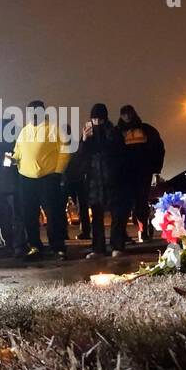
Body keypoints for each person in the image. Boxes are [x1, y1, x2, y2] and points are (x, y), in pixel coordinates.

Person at [11, 100, 70, 259]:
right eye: (30, 113)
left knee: (53, 213)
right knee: (29, 214)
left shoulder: (54, 129)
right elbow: (18, 152)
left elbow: (65, 151)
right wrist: (12, 159)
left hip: (48, 177)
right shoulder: (24, 131)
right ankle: (35, 246)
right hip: (26, 178)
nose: (32, 116)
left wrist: (58, 172)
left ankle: (57, 246)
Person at [73, 104, 126, 259]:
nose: (96, 121)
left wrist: (101, 134)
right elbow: (81, 156)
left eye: (99, 118)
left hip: (113, 179)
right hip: (94, 181)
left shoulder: (113, 132)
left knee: (117, 216)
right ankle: (98, 249)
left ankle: (117, 246)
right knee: (96, 216)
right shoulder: (88, 134)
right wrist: (84, 139)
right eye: (94, 118)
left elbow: (116, 151)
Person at [116, 104, 164, 244]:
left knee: (141, 203)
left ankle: (143, 231)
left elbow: (158, 149)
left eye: (129, 113)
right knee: (124, 205)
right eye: (124, 114)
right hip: (123, 175)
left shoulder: (147, 130)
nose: (127, 117)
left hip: (143, 173)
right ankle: (124, 232)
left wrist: (156, 167)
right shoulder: (116, 132)